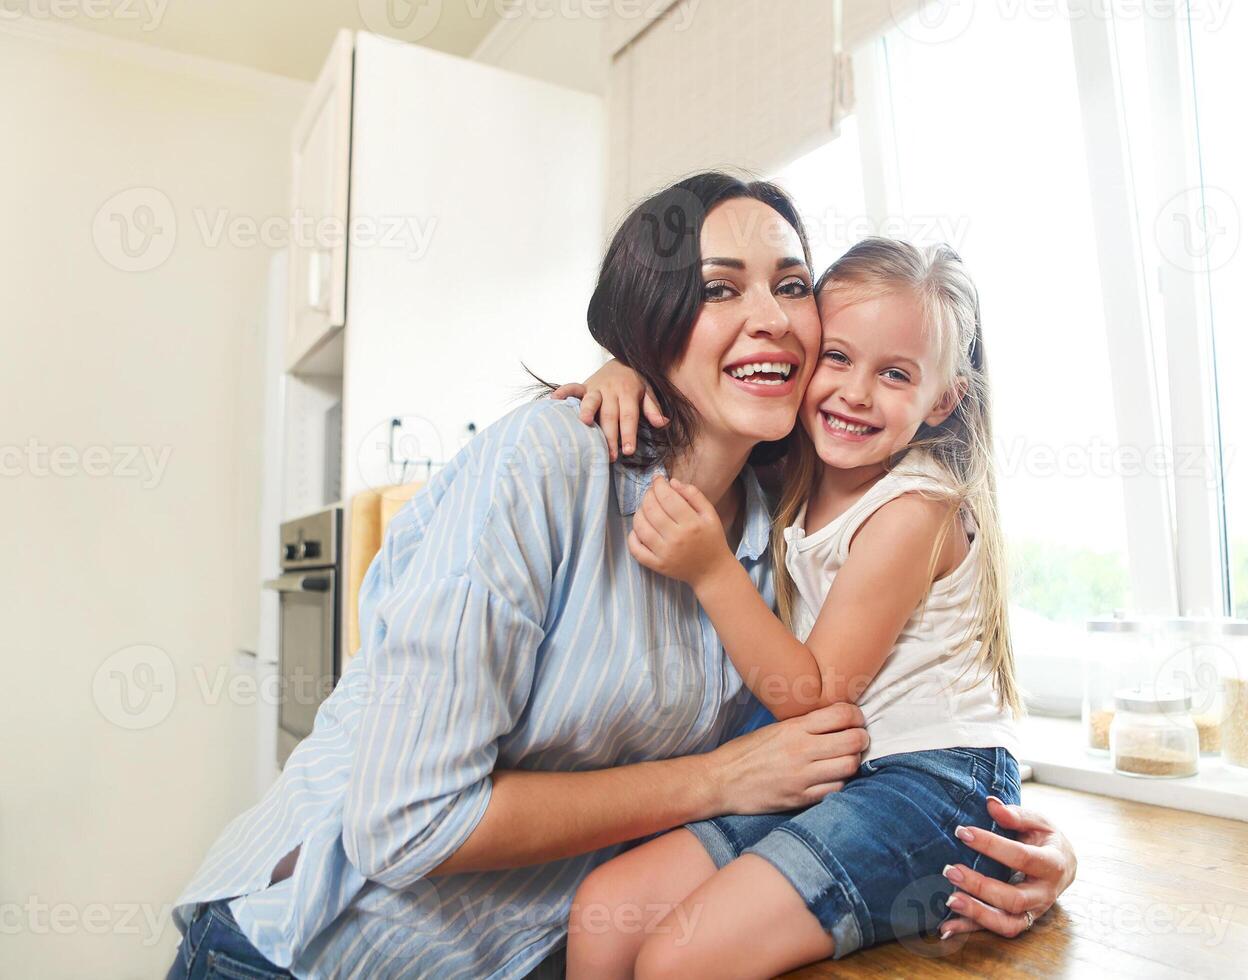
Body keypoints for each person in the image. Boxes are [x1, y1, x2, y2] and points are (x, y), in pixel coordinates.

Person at [166, 173, 1075, 980]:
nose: (772, 317)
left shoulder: (783, 512)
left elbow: (900, 709)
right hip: (310, 953)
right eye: (719, 288)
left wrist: (1035, 849)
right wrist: (718, 779)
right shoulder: (549, 463)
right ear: (654, 320)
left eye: (792, 285)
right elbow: (405, 820)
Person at [560, 238, 1024, 977]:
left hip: (936, 785)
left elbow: (814, 696)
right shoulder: (796, 468)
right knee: (604, 911)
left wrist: (712, 570)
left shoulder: (914, 511)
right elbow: (700, 395)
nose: (856, 393)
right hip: (835, 767)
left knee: (678, 960)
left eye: (895, 374)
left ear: (943, 400)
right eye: (837, 358)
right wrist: (625, 370)